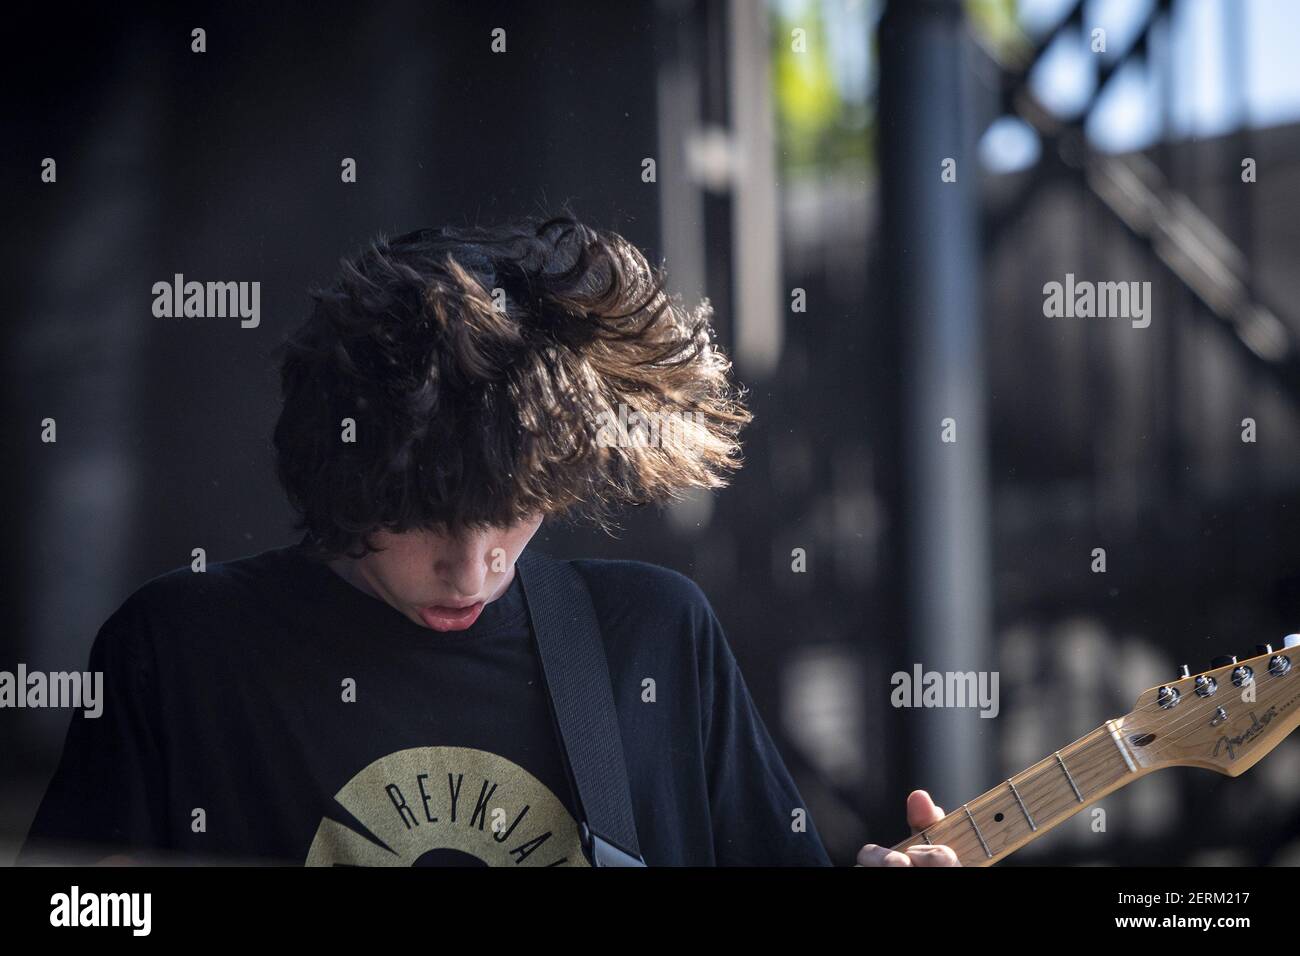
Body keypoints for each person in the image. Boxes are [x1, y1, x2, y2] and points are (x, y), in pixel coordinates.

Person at [20, 216, 958, 867]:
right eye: (428, 516)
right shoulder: (180, 654)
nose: (474, 568)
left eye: (512, 509)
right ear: (342, 476)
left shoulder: (653, 637)